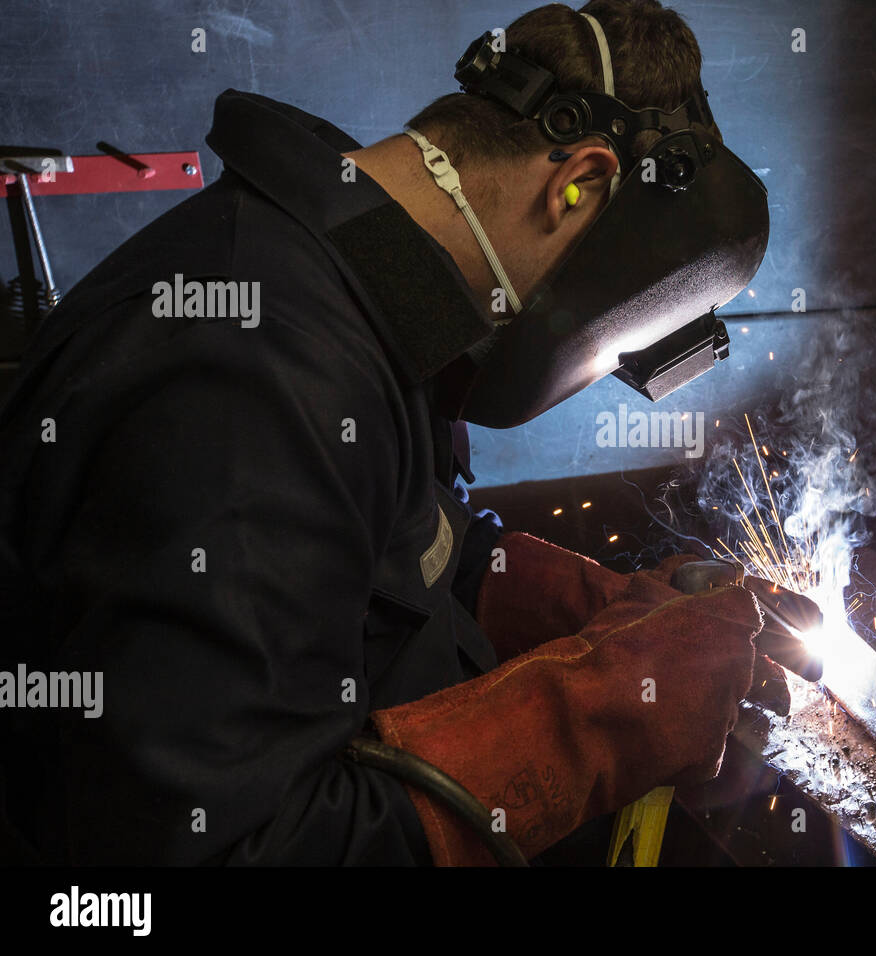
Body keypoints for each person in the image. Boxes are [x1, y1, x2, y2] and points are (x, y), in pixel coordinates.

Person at [0, 0, 772, 865]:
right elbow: (229, 850)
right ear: (578, 185)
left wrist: (554, 600)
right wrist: (598, 712)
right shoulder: (253, 374)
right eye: (617, 343)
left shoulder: (354, 283)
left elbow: (365, 546)